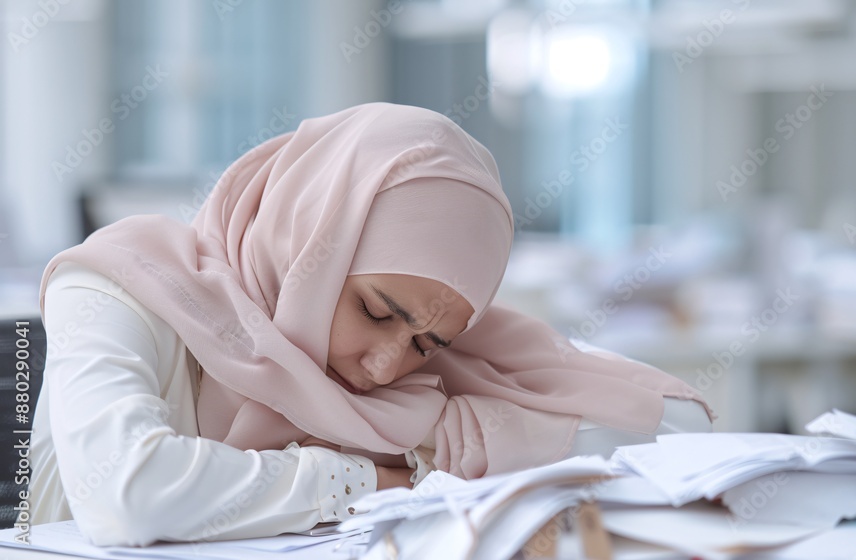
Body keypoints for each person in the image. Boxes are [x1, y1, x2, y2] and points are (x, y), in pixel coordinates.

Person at [28, 103, 712, 546]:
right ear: (311, 244)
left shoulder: (429, 368)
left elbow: (677, 427)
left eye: (428, 345)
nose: (386, 367)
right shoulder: (116, 285)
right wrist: (363, 480)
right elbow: (128, 492)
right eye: (376, 312)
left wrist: (461, 435)